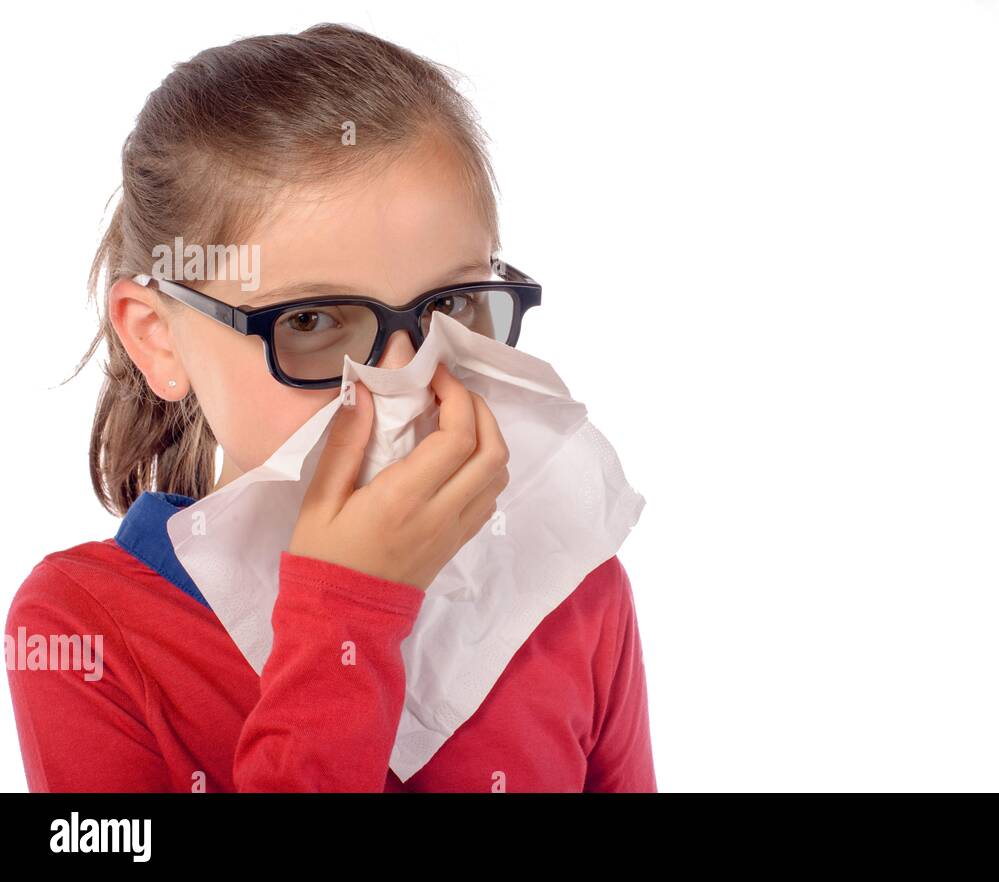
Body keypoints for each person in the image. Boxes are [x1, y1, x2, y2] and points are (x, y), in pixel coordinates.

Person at [3, 23, 654, 793]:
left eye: (449, 303)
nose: (404, 381)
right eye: (310, 322)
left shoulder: (567, 583)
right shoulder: (83, 627)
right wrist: (347, 609)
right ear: (159, 341)